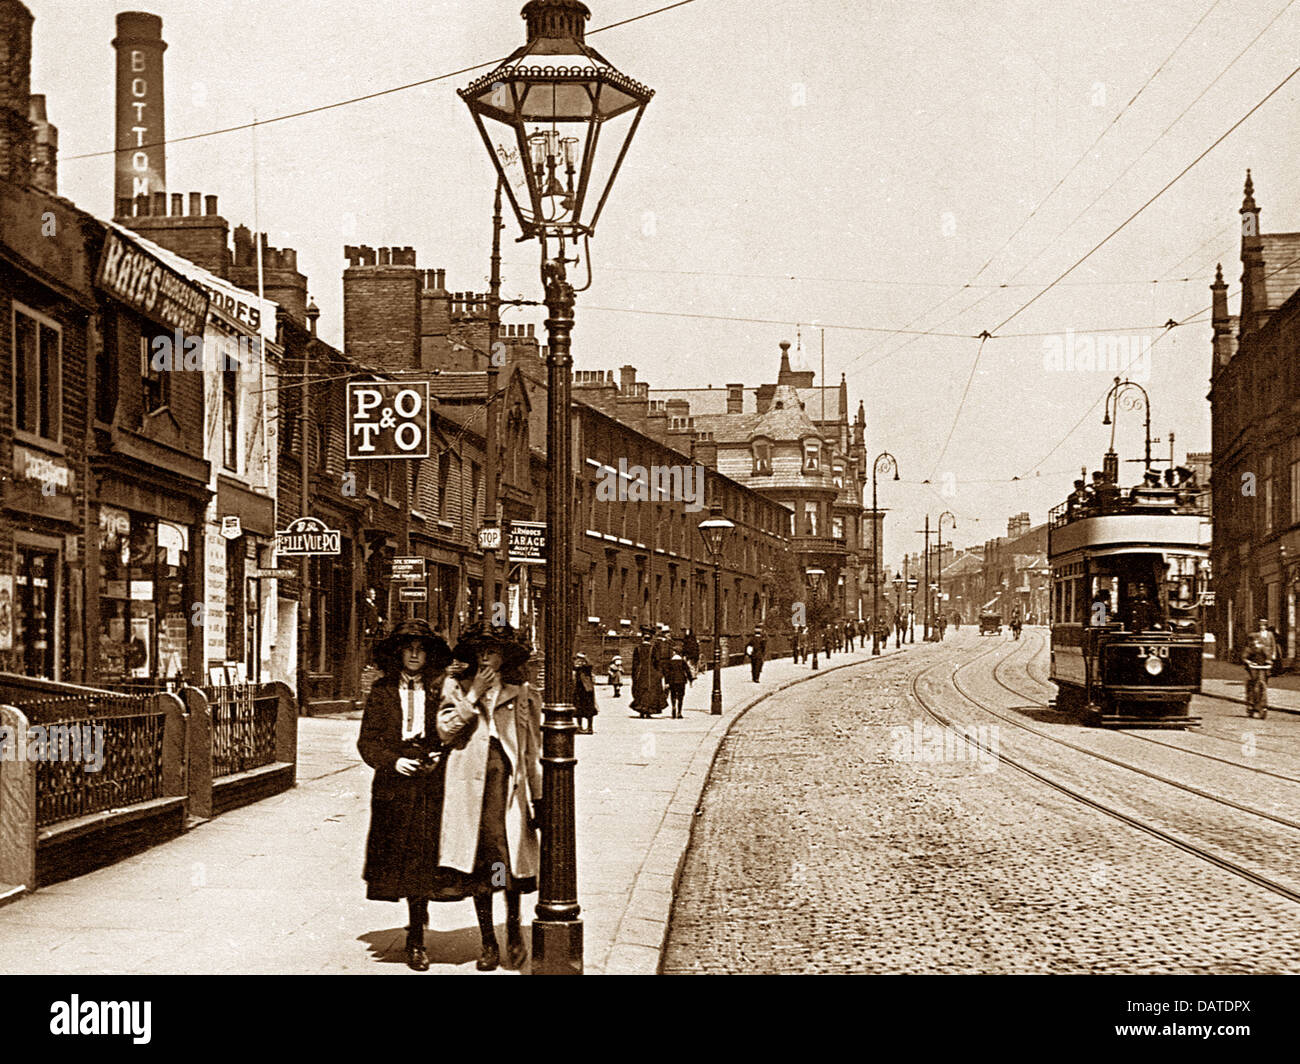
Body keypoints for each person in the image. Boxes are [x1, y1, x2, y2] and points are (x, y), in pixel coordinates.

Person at [432, 622, 542, 972]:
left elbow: (531, 749)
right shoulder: (457, 686)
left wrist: (538, 796)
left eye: (491, 651)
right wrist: (473, 694)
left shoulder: (521, 692)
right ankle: (488, 941)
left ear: (503, 656)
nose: (485, 658)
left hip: (507, 786)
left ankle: (512, 927)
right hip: (470, 790)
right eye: (479, 652)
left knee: (505, 861)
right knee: (481, 862)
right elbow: (445, 732)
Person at [357, 619, 454, 973]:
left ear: (429, 654)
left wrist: (438, 756)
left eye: (421, 648)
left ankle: (416, 939)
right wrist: (392, 762)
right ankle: (416, 911)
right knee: (396, 856)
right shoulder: (382, 690)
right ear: (399, 652)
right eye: (408, 647)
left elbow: (452, 732)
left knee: (421, 856)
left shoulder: (440, 689)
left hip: (429, 784)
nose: (414, 653)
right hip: (394, 785)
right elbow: (366, 743)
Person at [1244, 618, 1277, 719]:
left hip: (1263, 664)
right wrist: (1249, 662)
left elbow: (1272, 646)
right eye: (1261, 625)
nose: (1256, 642)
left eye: (1264, 625)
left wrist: (1270, 660)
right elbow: (1245, 656)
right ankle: (1251, 703)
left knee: (1262, 684)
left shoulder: (1269, 637)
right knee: (1254, 684)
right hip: (1254, 667)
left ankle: (1262, 704)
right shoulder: (1251, 647)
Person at [631, 628, 667, 718]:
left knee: (640, 690)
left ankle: (641, 711)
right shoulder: (653, 649)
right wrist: (660, 673)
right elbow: (657, 662)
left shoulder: (637, 648)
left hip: (640, 672)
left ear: (643, 638)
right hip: (651, 672)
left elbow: (635, 663)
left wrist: (634, 674)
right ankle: (648, 711)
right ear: (650, 639)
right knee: (650, 691)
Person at [572, 653, 597, 734]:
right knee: (578, 710)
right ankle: (580, 727)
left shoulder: (586, 668)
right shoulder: (576, 668)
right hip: (578, 691)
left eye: (580, 659)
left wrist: (585, 659)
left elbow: (590, 665)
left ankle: (590, 728)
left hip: (587, 691)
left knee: (589, 710)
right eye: (577, 659)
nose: (578, 661)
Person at [662, 650, 691, 718]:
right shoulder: (682, 662)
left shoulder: (670, 662)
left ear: (674, 653)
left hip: (672, 681)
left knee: (673, 695)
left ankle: (674, 707)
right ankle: (679, 712)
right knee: (681, 697)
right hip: (681, 681)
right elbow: (687, 670)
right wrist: (690, 679)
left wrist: (667, 682)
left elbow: (667, 673)